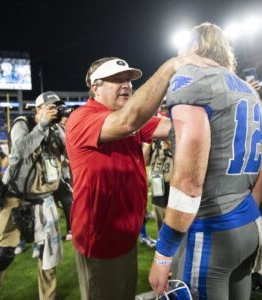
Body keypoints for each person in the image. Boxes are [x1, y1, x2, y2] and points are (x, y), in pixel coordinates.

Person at [65, 55, 217, 300]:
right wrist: (169, 68)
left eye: (128, 79)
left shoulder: (126, 117)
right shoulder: (81, 117)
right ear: (95, 87)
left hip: (125, 236)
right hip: (101, 241)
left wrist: (213, 111)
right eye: (116, 79)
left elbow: (173, 127)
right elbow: (128, 122)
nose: (126, 85)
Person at [149, 22, 262, 299]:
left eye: (182, 48)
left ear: (196, 46)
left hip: (211, 229)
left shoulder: (192, 77)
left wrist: (164, 253)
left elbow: (189, 181)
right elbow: (260, 173)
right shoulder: (248, 90)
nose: (179, 55)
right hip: (248, 223)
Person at [0, 91, 64, 300]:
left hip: (45, 199)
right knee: (3, 255)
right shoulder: (22, 123)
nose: (54, 111)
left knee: (48, 258)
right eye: (50, 107)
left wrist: (64, 128)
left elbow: (70, 153)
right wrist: (43, 126)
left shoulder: (56, 129)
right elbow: (20, 150)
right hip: (15, 197)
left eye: (57, 107)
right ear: (37, 110)